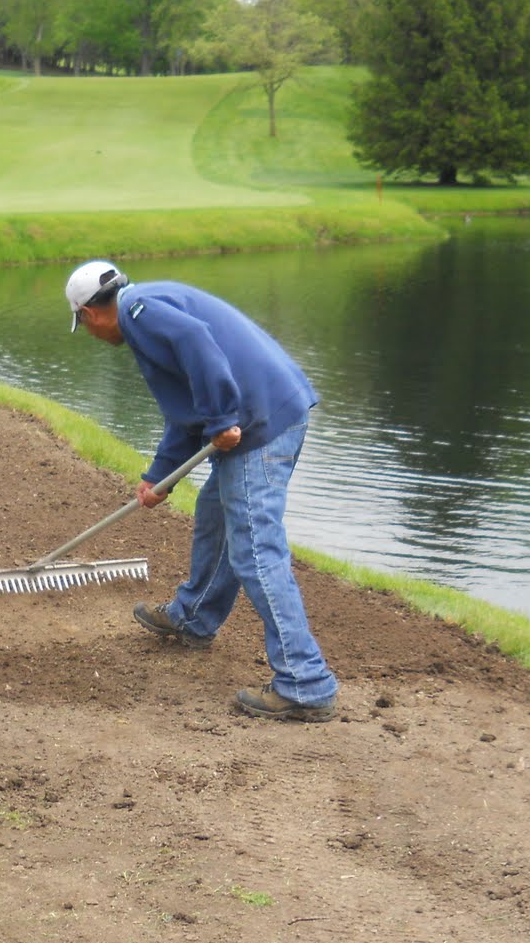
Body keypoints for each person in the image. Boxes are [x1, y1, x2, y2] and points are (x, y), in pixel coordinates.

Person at [65, 259, 339, 722]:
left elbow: (197, 343)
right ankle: (193, 617)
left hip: (259, 426)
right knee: (216, 516)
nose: (91, 334)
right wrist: (160, 476)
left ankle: (304, 683)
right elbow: (185, 411)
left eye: (84, 325)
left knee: (256, 551)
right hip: (268, 412)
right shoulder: (148, 305)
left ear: (90, 314)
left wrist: (221, 418)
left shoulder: (139, 312)